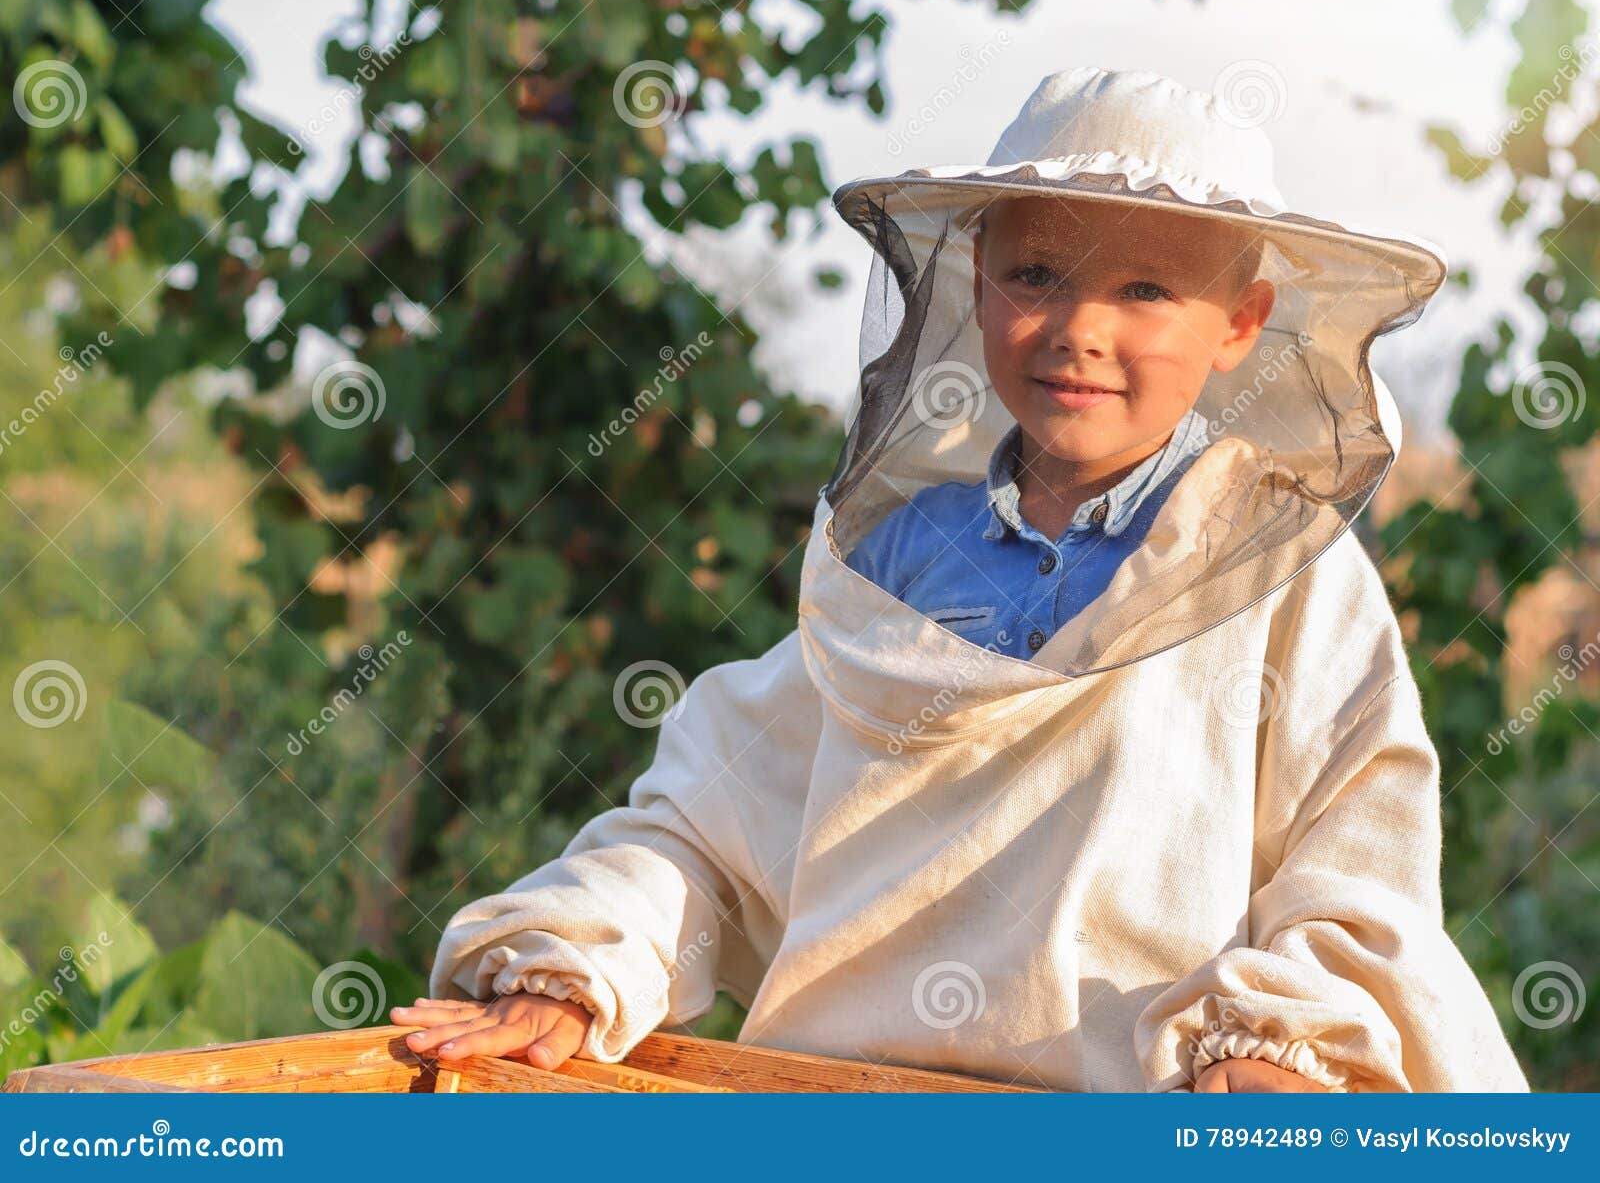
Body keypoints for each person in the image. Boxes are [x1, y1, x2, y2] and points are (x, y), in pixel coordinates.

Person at [390, 67, 1530, 1093]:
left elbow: (1356, 860)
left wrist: (1280, 1042)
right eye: (1037, 273)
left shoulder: (1283, 575)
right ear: (977, 285)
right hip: (837, 1117)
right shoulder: (890, 565)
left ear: (1240, 323)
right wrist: (575, 965)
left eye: (1142, 291)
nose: (1077, 329)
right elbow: (705, 827)